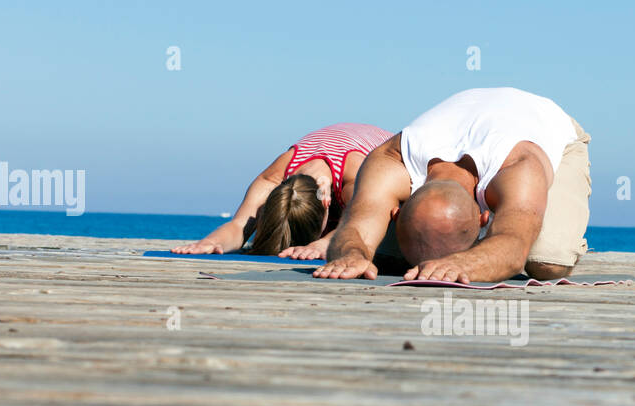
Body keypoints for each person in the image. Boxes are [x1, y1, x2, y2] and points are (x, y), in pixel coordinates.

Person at [304, 88, 590, 283]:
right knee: (388, 256)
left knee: (546, 261)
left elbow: (514, 247)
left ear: (484, 219)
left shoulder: (520, 166)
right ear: (395, 212)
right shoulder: (390, 160)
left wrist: (464, 264)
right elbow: (356, 224)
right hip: (469, 108)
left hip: (552, 126)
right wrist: (351, 253)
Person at [173, 123, 393, 256]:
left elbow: (363, 223)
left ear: (327, 202)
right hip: (336, 143)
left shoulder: (356, 179)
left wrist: (324, 243)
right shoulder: (273, 178)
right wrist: (211, 242)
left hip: (387, 158)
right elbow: (239, 225)